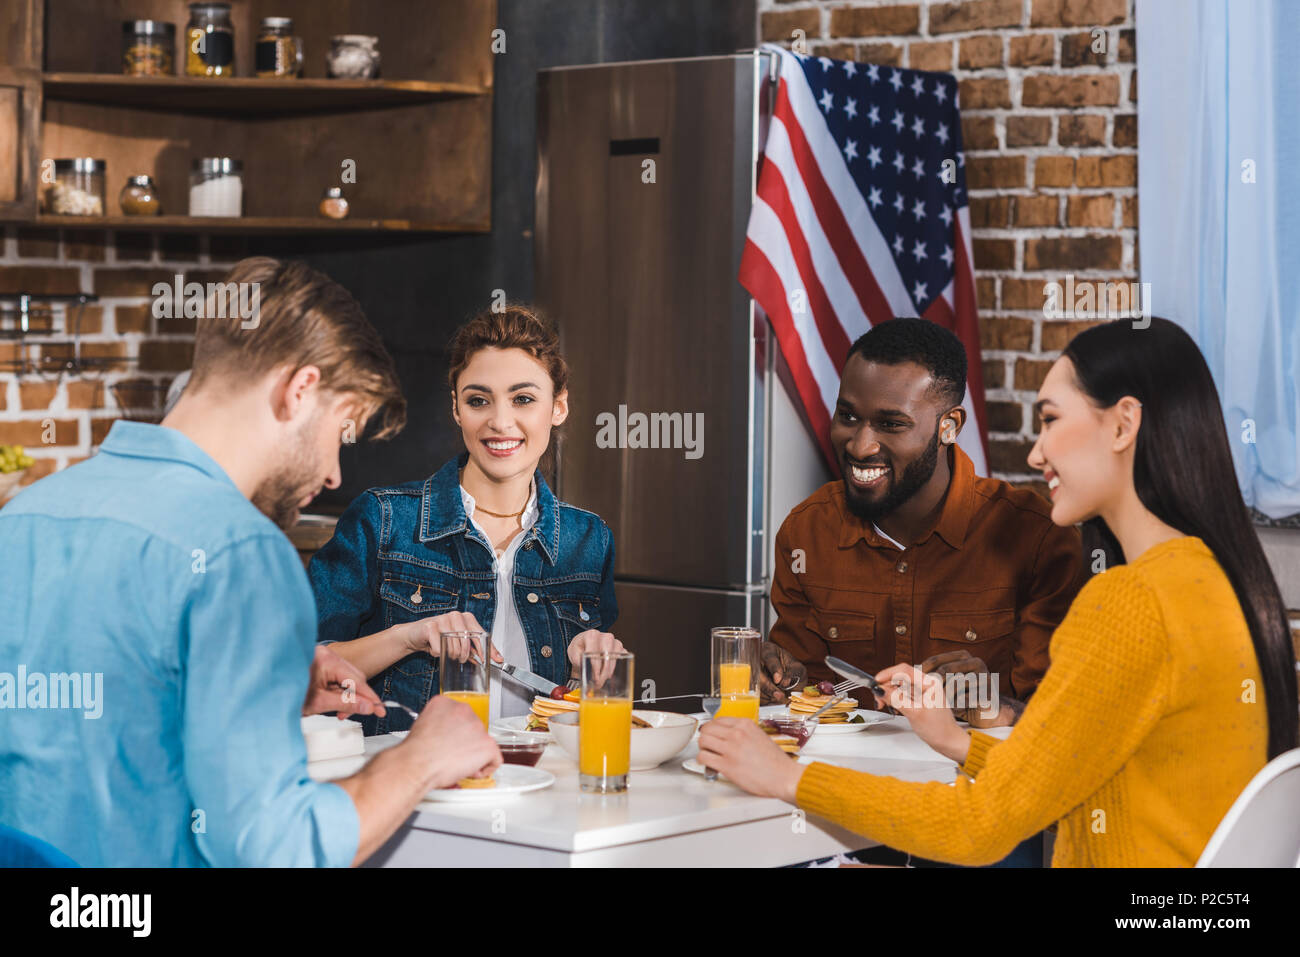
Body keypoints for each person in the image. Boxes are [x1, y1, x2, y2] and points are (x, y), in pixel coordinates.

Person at [700, 317, 1299, 867]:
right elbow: (1055, 774)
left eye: (1051, 420)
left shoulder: (1127, 602)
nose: (1036, 453)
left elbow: (981, 827)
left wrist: (785, 778)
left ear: (1123, 425)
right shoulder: (1212, 576)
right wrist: (958, 740)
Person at [0, 257, 501, 867]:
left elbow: (80, 734)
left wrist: (259, 695)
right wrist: (420, 758)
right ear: (299, 391)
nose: (333, 472)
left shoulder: (25, 516)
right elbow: (272, 850)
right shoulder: (241, 552)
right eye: (340, 432)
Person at [310, 304, 623, 733]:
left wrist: (588, 668)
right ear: (457, 409)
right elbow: (303, 673)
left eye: (524, 399)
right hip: (415, 784)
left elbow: (569, 711)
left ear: (558, 407)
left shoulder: (588, 540)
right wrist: (408, 636)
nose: (500, 421)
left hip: (541, 784)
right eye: (479, 400)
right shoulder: (382, 520)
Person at [761, 318, 1083, 733]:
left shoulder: (1037, 540)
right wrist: (781, 683)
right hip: (836, 787)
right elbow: (804, 699)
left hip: (975, 787)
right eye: (848, 416)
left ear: (949, 427)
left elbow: (1064, 726)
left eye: (891, 424)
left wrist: (989, 703)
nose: (860, 446)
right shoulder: (806, 533)